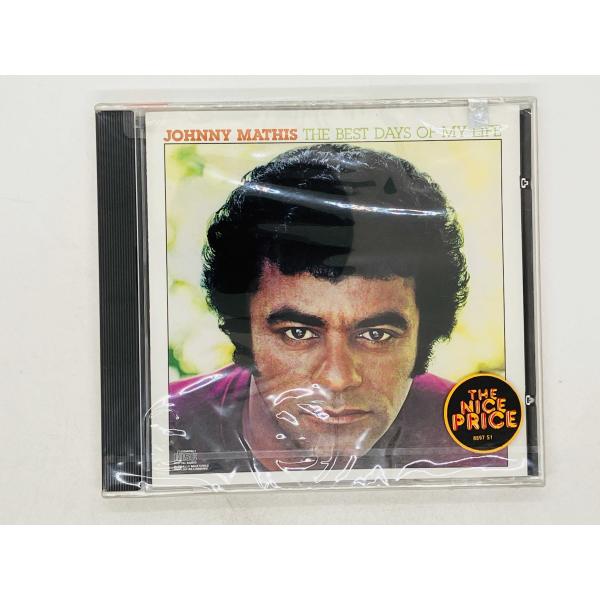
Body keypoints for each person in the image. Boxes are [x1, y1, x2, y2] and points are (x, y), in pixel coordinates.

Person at [168, 144, 506, 474]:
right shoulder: (162, 433)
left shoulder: (484, 452)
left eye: (376, 335)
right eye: (298, 333)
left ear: (423, 335)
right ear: (244, 331)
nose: (338, 378)